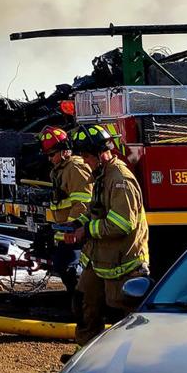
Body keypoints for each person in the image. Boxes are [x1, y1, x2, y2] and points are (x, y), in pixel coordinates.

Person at [63, 123, 150, 349]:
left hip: (124, 262)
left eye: (86, 157)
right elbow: (96, 210)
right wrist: (76, 224)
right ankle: (84, 359)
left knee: (129, 320)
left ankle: (132, 361)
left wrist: (88, 230)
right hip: (99, 259)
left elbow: (122, 223)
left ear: (100, 154)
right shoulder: (101, 175)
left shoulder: (120, 179)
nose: (84, 162)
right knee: (83, 305)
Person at [41, 126, 93, 296]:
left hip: (74, 233)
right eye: (47, 155)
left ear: (64, 152)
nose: (49, 159)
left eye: (52, 154)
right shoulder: (58, 170)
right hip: (65, 232)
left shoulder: (75, 169)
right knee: (62, 267)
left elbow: (83, 204)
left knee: (72, 270)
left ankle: (84, 303)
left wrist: (72, 230)